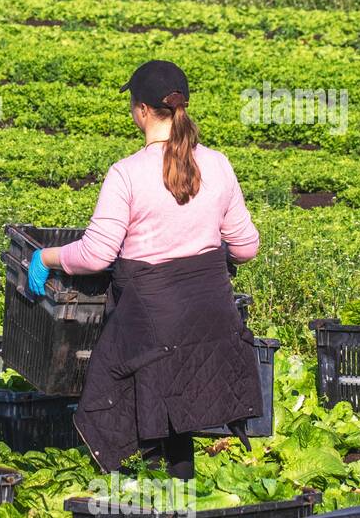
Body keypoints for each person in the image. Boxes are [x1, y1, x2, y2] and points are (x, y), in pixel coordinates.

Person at [28, 60, 261, 481]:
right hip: (211, 322)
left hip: (153, 323)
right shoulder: (219, 165)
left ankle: (151, 500)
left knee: (121, 381)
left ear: (140, 111)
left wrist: (46, 257)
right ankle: (179, 498)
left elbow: (98, 255)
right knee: (174, 407)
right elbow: (246, 248)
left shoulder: (127, 174)